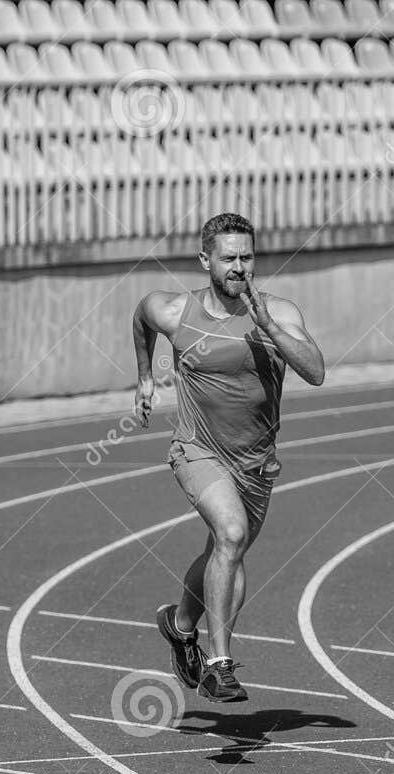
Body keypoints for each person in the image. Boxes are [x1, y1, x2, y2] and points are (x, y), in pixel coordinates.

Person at [131, 212, 326, 702]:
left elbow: (316, 370)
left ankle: (179, 627)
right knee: (232, 535)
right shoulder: (176, 311)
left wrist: (270, 332)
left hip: (256, 463)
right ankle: (219, 665)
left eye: (247, 256)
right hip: (196, 449)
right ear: (205, 261)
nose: (240, 267)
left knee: (223, 549)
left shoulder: (278, 312)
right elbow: (141, 315)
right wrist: (145, 377)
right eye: (229, 258)